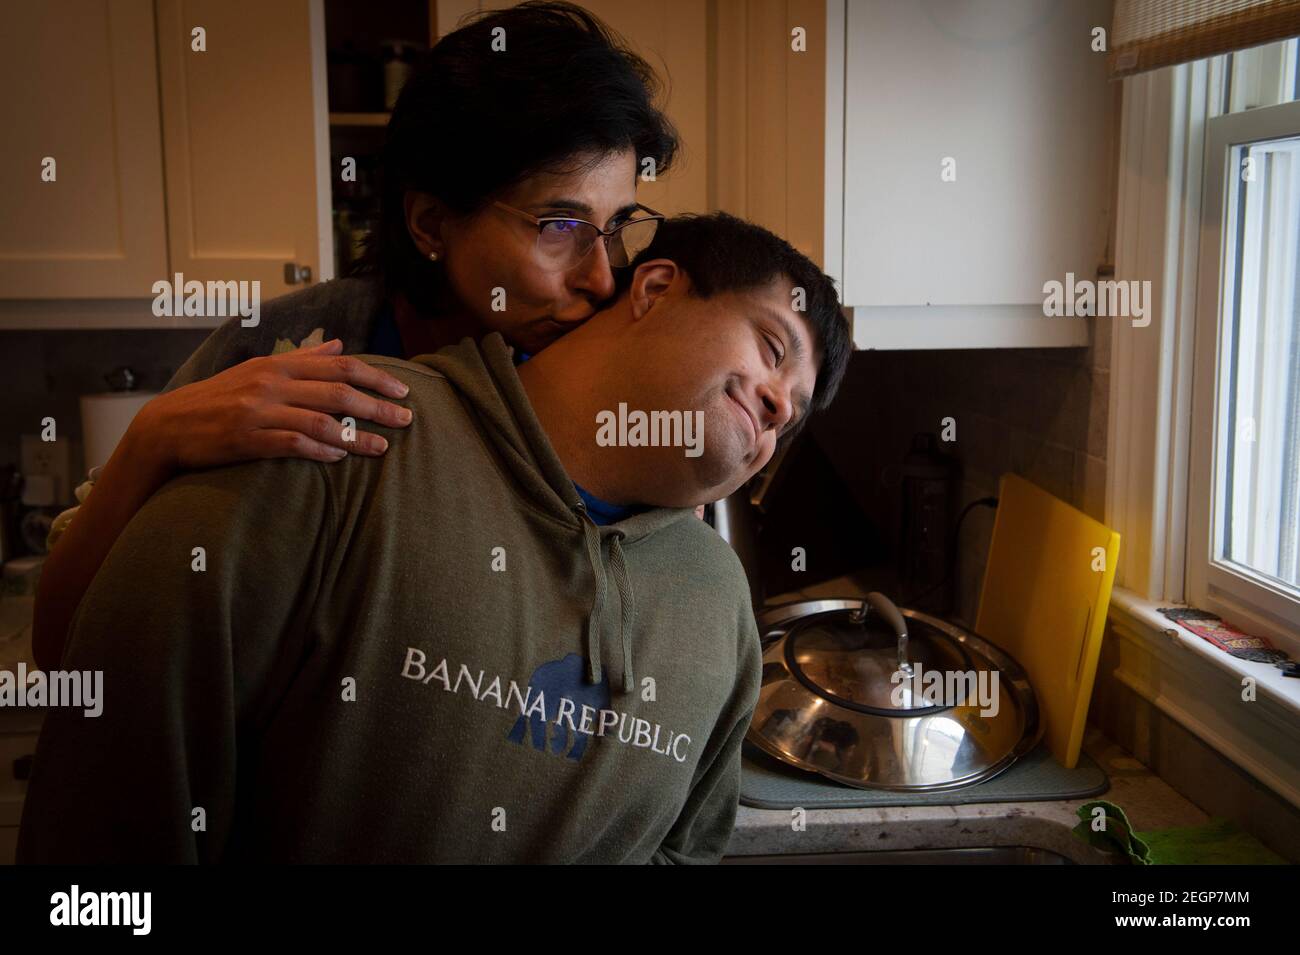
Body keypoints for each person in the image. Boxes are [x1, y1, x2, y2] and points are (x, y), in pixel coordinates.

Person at [17, 213, 852, 864]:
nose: (779, 405)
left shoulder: (721, 602)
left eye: (797, 408)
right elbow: (106, 820)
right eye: (772, 347)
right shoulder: (327, 437)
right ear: (657, 287)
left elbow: (684, 850)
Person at [32, 0, 679, 670]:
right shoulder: (283, 342)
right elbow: (64, 653)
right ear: (430, 222)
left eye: (615, 227)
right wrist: (152, 439)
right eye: (559, 228)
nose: (602, 279)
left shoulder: (598, 378)